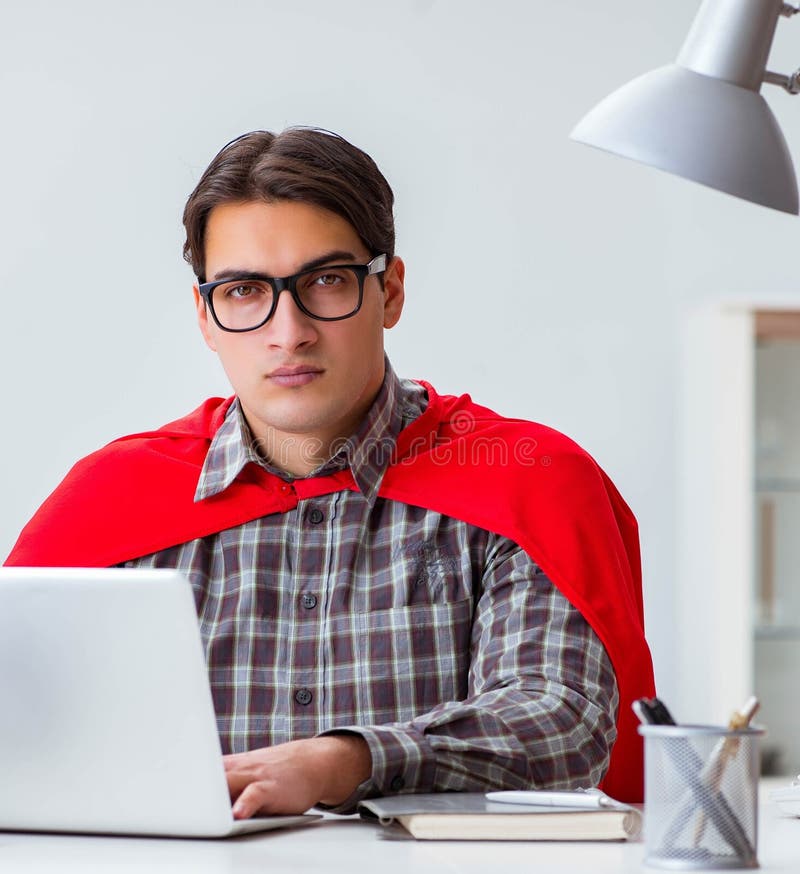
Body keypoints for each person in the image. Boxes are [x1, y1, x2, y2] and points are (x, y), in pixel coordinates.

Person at [5, 127, 655, 817]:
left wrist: (346, 762)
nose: (288, 332)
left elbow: (560, 723)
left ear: (390, 291)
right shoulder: (108, 503)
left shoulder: (527, 482)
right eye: (244, 291)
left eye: (326, 281)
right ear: (205, 316)